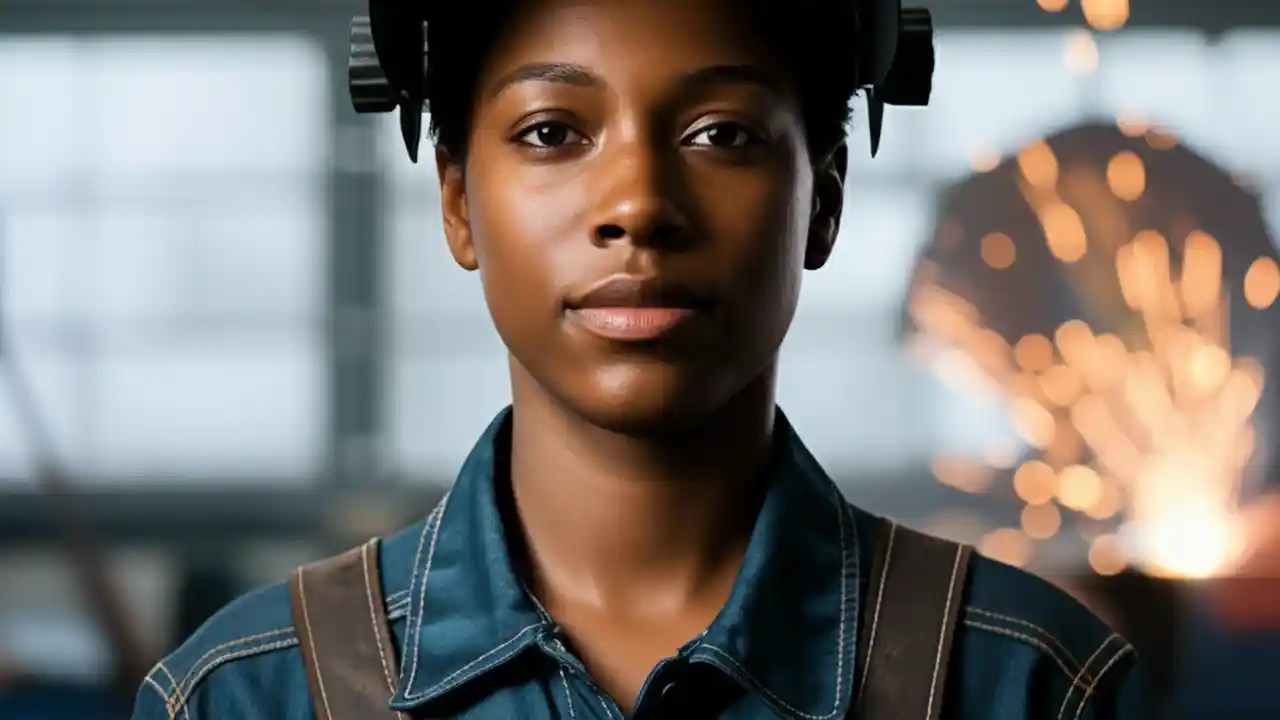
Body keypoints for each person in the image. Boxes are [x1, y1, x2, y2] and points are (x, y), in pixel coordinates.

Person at [132, 1, 1157, 718]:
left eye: (721, 134)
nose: (637, 205)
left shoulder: (1025, 684)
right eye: (551, 132)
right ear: (457, 200)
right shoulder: (248, 695)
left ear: (824, 199)